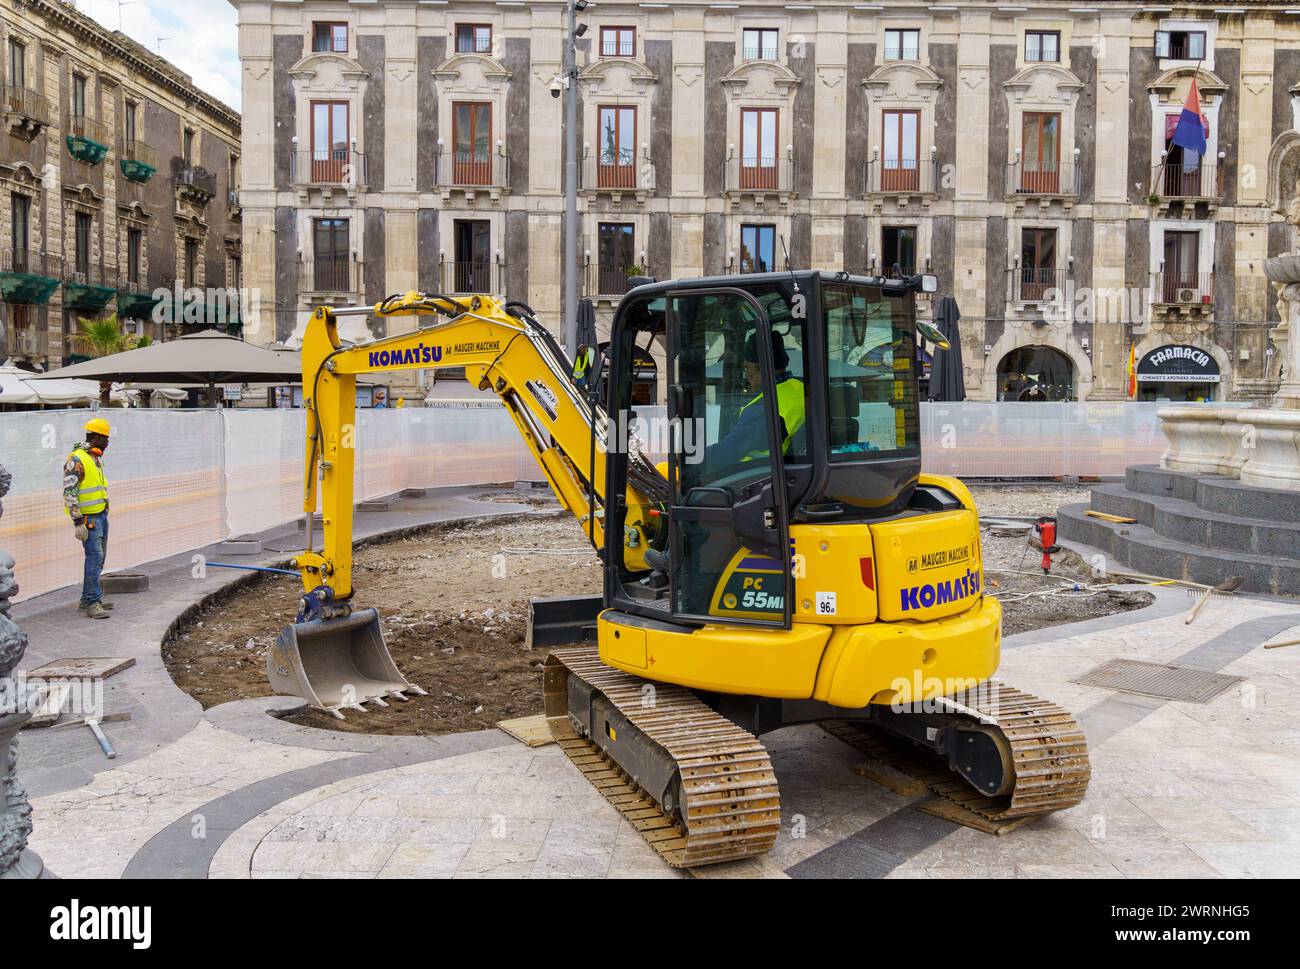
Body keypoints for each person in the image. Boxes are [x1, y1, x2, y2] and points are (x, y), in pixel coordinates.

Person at [711, 330, 806, 467]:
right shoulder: (800, 388)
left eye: (746, 368)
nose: (746, 375)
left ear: (759, 367)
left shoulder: (764, 407)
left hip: (751, 475)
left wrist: (695, 458)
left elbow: (730, 450)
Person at [64, 417, 113, 619]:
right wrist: (77, 522)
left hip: (100, 515)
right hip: (89, 519)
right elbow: (69, 492)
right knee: (94, 558)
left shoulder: (93, 457)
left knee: (99, 559)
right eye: (106, 438)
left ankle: (88, 598)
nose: (108, 442)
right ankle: (93, 602)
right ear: (96, 437)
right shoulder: (77, 460)